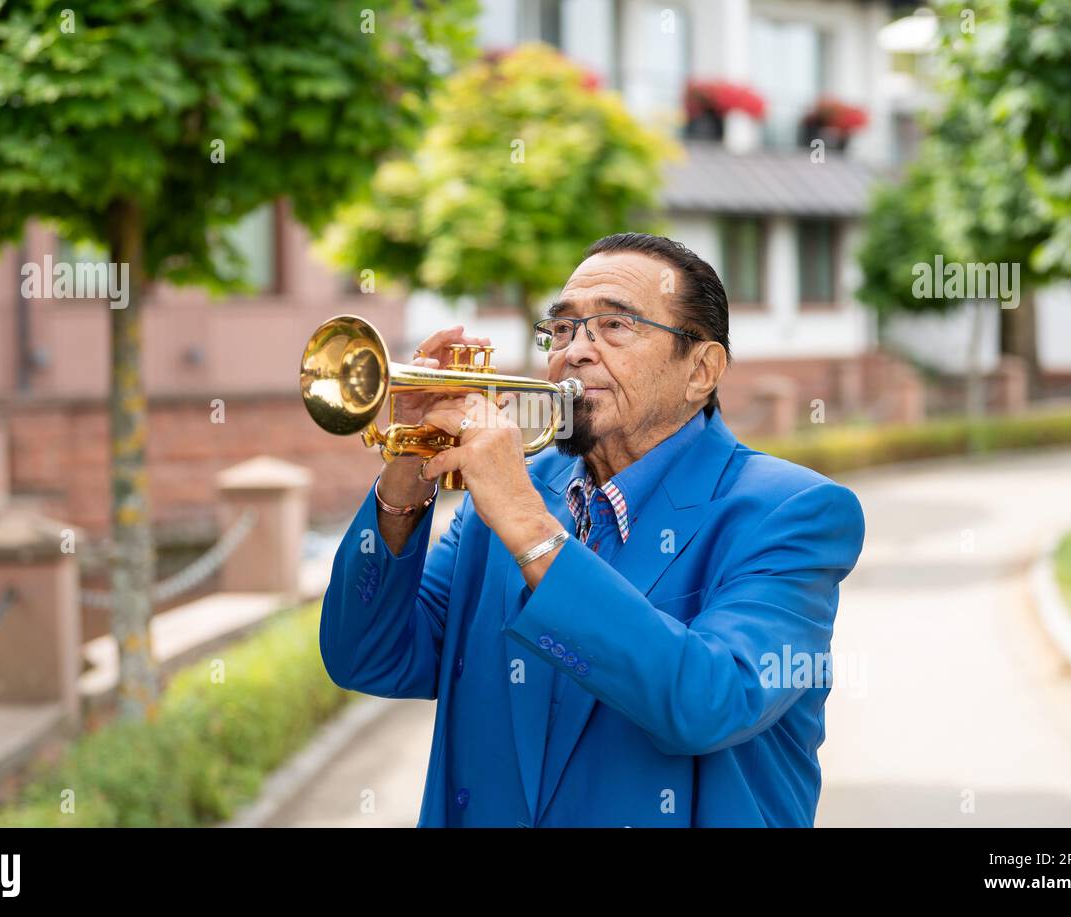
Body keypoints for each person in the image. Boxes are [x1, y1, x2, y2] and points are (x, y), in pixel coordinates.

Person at [319, 232, 866, 827]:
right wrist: (408, 468)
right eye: (562, 329)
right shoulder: (504, 499)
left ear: (701, 369)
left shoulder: (791, 511)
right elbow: (367, 658)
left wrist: (527, 523)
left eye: (614, 326)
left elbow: (708, 702)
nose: (575, 351)